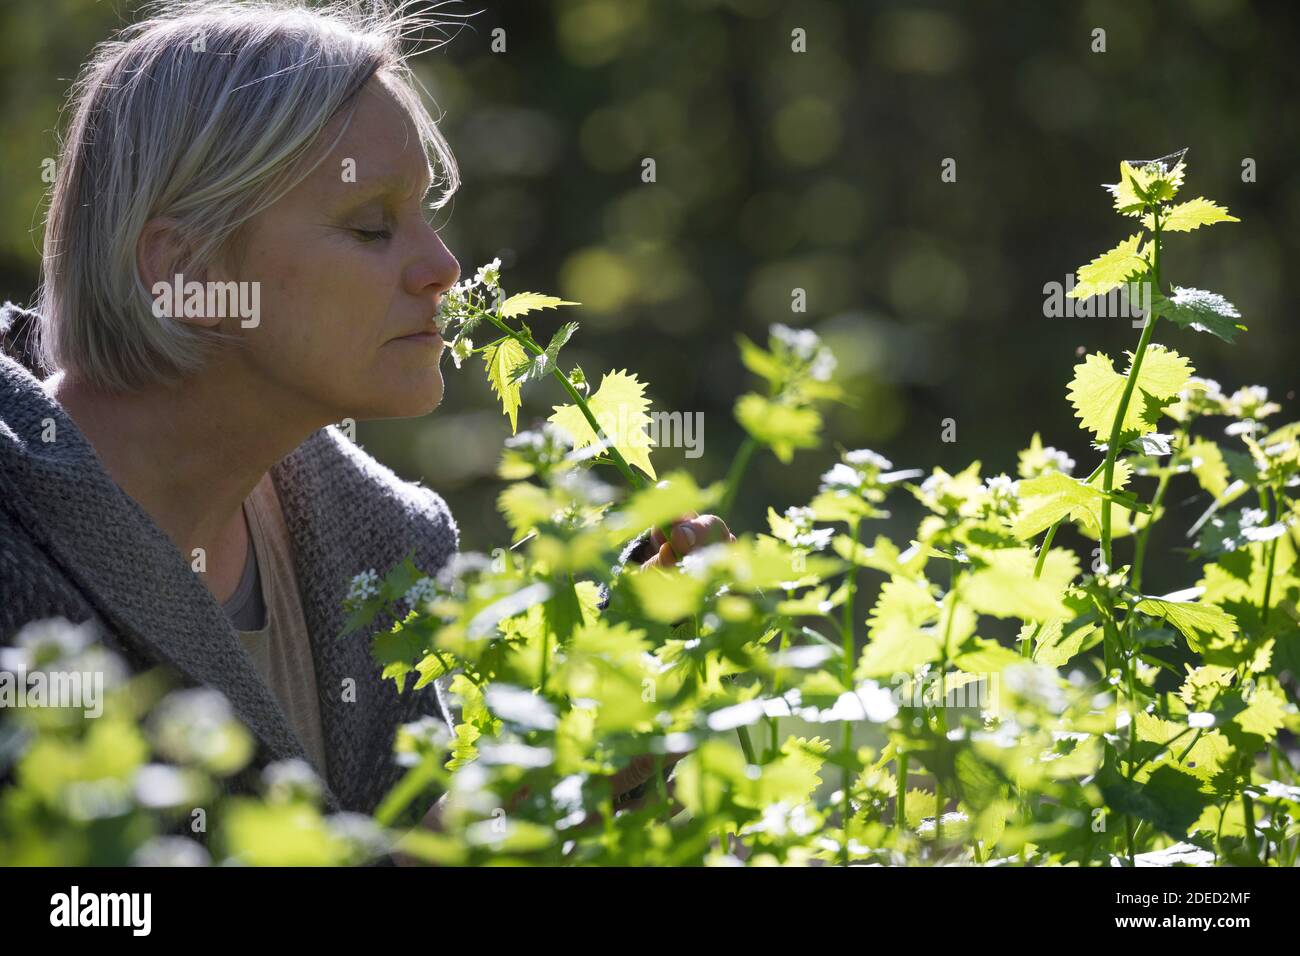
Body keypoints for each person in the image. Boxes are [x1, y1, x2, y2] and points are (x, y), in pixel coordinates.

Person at [0, 0, 731, 839]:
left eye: (426, 215)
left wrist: (594, 745)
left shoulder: (389, 551)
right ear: (186, 268)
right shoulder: (15, 560)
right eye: (372, 226)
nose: (443, 269)